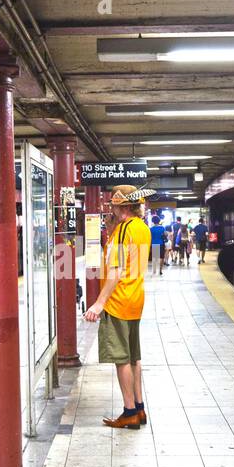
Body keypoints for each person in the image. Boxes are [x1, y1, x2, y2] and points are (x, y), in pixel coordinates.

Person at [84, 184, 155, 429]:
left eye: (113, 204)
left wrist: (99, 303)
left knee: (121, 359)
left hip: (118, 301)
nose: (110, 209)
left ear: (121, 206)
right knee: (134, 356)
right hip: (135, 298)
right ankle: (140, 408)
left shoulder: (124, 231)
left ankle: (129, 412)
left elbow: (116, 270)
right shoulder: (142, 228)